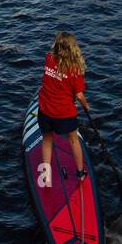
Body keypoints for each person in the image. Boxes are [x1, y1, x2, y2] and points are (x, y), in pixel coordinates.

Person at [36, 32, 91, 187]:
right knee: (73, 140)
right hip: (64, 113)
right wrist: (86, 107)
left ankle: (46, 178)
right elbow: (79, 96)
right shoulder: (75, 70)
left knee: (47, 140)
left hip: (45, 109)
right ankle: (80, 173)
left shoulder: (48, 59)